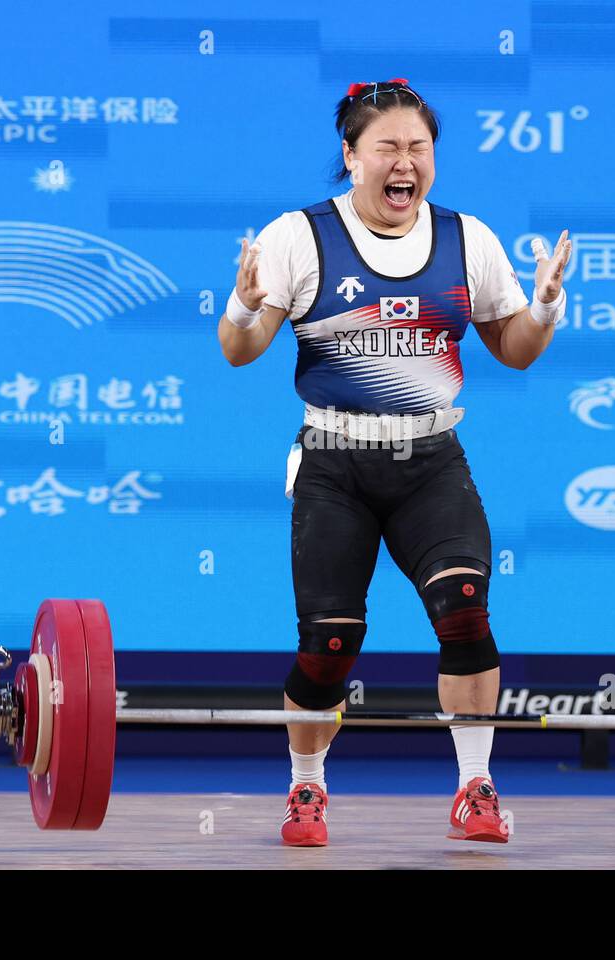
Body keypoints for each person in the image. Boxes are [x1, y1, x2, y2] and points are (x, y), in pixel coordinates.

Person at [218, 78, 570, 846]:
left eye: (419, 148)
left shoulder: (467, 239)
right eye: (388, 147)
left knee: (466, 608)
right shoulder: (299, 236)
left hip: (431, 462)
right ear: (352, 157)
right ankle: (305, 788)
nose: (404, 162)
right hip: (335, 466)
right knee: (328, 646)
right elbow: (240, 351)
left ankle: (475, 787)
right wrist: (245, 304)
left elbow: (514, 352)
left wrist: (541, 307)